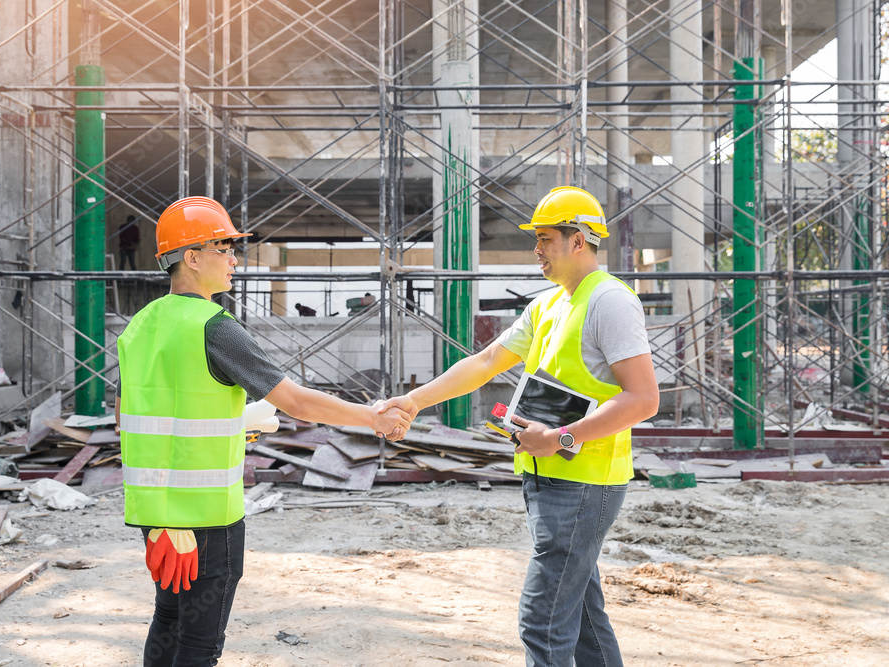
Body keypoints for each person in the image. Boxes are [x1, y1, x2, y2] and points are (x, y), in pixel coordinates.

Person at [115, 196, 411, 667]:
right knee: (199, 647)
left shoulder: (139, 327)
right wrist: (371, 418)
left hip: (156, 513)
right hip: (209, 517)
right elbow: (295, 401)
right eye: (225, 248)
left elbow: (136, 417)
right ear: (191, 257)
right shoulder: (214, 327)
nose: (235, 260)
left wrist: (232, 427)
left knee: (168, 622)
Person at [381, 186, 659, 666]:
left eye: (546, 238)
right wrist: (414, 400)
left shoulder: (610, 302)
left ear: (579, 240)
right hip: (550, 475)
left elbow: (644, 399)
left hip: (583, 483)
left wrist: (560, 437)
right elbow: (487, 361)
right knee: (585, 619)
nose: (537, 250)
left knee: (543, 618)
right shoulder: (549, 305)